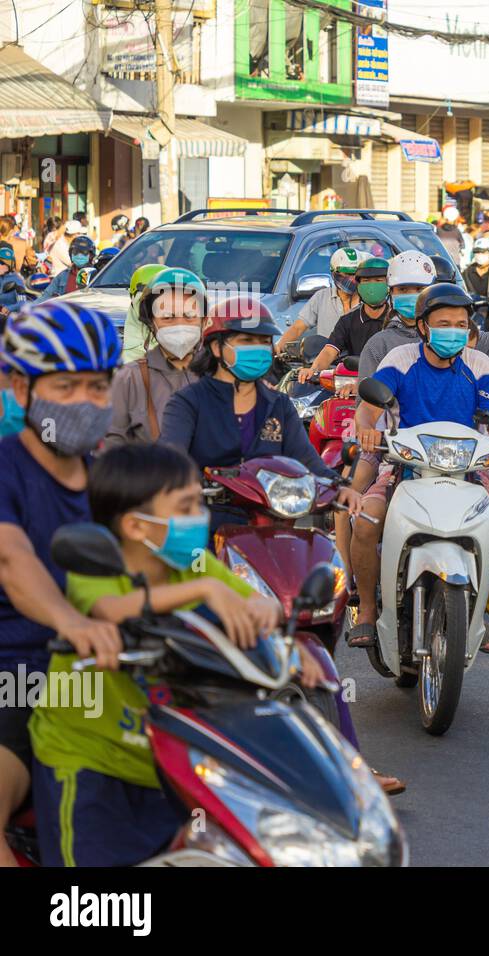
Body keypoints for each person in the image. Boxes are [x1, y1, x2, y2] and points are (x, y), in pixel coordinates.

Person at [25, 443, 288, 865]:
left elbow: (262, 604)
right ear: (134, 525)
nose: (199, 517)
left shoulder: (194, 564)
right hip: (90, 760)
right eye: (184, 507)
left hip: (170, 760)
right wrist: (206, 590)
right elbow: (110, 610)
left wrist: (264, 610)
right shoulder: (96, 567)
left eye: (199, 502)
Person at [0, 302, 122, 868]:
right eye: (66, 385)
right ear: (21, 388)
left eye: (97, 386)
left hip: (113, 675)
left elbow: (170, 561)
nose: (84, 402)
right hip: (18, 677)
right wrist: (69, 620)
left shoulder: (112, 481)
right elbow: (12, 559)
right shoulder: (6, 471)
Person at [351, 284, 489, 647]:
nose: (454, 331)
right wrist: (366, 430)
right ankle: (367, 610)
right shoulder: (400, 358)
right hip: (405, 465)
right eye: (444, 323)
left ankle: (479, 604)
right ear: (424, 327)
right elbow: (370, 404)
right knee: (366, 521)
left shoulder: (477, 363)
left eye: (461, 324)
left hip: (467, 470)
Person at [160, 295, 363, 533]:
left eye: (263, 341)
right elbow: (171, 460)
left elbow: (307, 460)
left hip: (271, 524)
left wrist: (339, 486)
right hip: (204, 525)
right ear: (216, 347)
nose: (257, 348)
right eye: (246, 340)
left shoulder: (279, 405)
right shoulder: (187, 403)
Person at [107, 267, 205, 445]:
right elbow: (111, 446)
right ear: (151, 322)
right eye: (168, 317)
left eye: (189, 316)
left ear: (203, 320)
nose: (179, 325)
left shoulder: (219, 373)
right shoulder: (128, 378)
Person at [298, 256, 393, 382]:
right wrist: (313, 370)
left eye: (378, 280)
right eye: (366, 281)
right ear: (358, 285)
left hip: (390, 384)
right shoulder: (347, 321)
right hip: (352, 384)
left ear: (389, 285)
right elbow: (329, 351)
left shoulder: (396, 320)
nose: (372, 286)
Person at [276, 246, 362, 354]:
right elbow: (298, 328)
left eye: (355, 274)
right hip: (326, 364)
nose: (352, 279)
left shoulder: (367, 301)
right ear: (334, 273)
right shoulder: (321, 297)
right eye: (348, 274)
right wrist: (278, 348)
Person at [35, 235, 96, 303]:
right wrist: (29, 309)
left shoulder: (98, 275)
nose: (79, 255)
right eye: (76, 252)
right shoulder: (62, 276)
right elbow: (46, 296)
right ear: (71, 254)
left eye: (84, 252)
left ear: (91, 255)